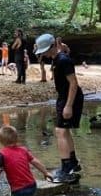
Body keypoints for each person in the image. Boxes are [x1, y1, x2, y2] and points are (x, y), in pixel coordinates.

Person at [35, 33, 83, 183]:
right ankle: (73, 163)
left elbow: (73, 83)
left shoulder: (63, 60)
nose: (44, 54)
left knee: (60, 131)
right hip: (64, 96)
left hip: (70, 98)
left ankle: (65, 168)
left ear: (51, 47)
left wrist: (68, 106)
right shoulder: (58, 59)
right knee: (63, 130)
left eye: (44, 51)